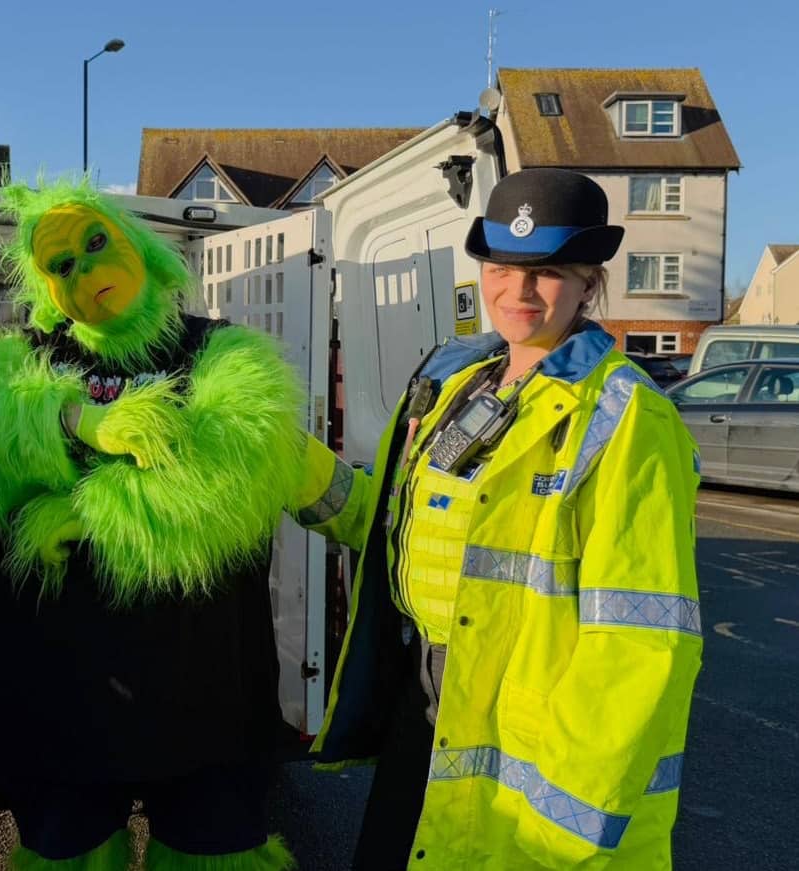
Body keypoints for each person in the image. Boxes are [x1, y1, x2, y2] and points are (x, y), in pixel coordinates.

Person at [291, 168, 703, 869]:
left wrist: (560, 823)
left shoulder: (627, 418)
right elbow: (389, 525)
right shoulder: (454, 383)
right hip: (424, 707)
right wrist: (277, 457)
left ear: (587, 281)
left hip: (523, 733)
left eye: (546, 271)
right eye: (503, 267)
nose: (518, 292)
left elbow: (636, 644)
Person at [0, 179, 304, 869]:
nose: (84, 271)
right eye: (58, 266)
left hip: (205, 685)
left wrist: (69, 507)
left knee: (213, 855)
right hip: (53, 689)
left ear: (144, 251)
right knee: (67, 854)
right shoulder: (15, 363)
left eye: (96, 245)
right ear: (43, 287)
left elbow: (223, 488)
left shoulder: (226, 354)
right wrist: (69, 421)